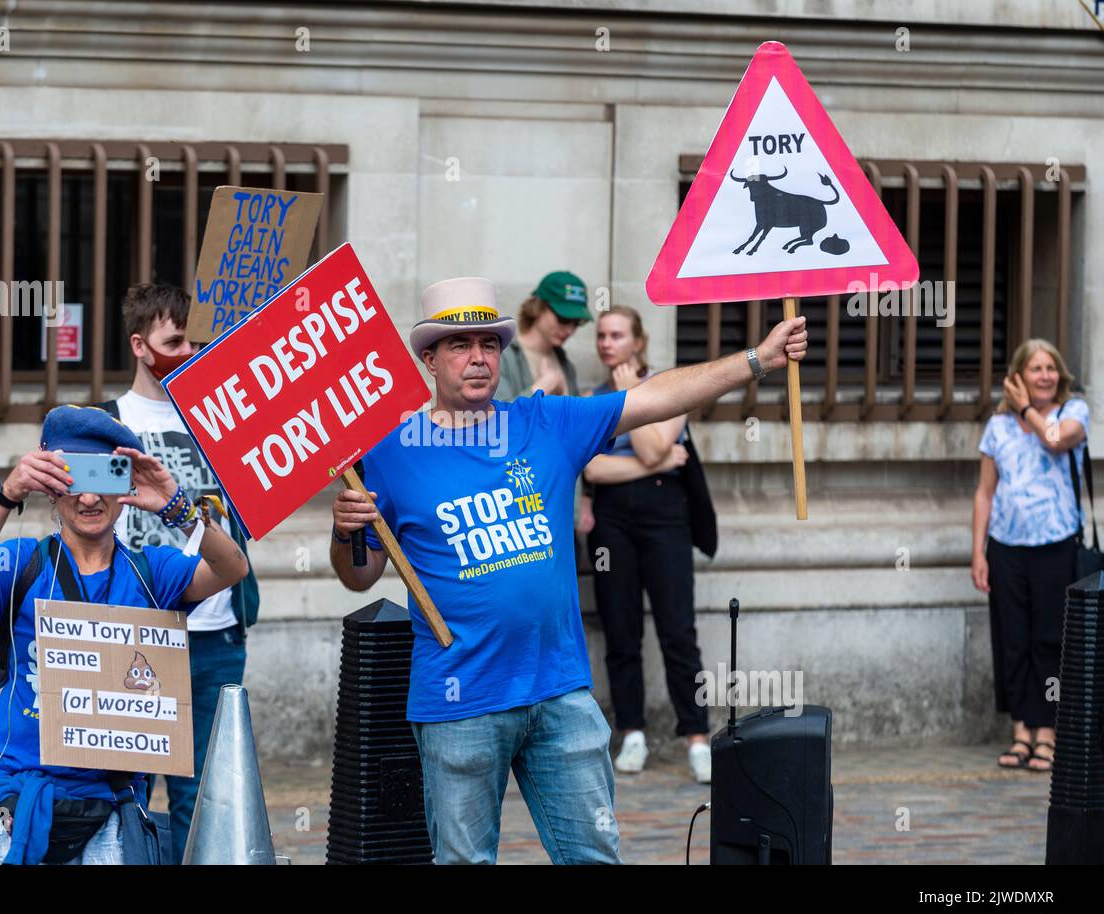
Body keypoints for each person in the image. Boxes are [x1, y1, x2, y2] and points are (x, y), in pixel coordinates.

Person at [330, 277, 806, 863]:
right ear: (429, 358)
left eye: (488, 344)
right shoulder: (387, 450)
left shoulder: (547, 422)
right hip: (458, 698)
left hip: (559, 691)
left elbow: (657, 397)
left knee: (594, 857)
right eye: (459, 345)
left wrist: (758, 358)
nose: (478, 358)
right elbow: (359, 576)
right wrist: (345, 529)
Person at [0, 405, 248, 864]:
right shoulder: (22, 561)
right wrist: (5, 494)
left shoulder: (152, 571)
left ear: (125, 489)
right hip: (24, 792)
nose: (88, 499)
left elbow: (231, 568)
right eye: (72, 481)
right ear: (50, 489)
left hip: (114, 799)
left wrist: (177, 505)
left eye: (103, 479)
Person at [103, 283, 260, 863]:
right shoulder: (108, 421)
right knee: (129, 788)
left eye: (199, 340)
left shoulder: (226, 419)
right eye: (176, 341)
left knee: (208, 792)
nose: (192, 350)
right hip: (137, 632)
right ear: (141, 346)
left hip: (216, 632)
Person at [581, 306, 710, 782]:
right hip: (612, 520)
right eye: (601, 335)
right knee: (621, 630)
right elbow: (594, 469)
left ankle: (696, 736)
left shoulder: (668, 387)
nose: (607, 343)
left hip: (665, 517)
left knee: (678, 630)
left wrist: (630, 396)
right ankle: (631, 732)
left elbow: (655, 445)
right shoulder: (591, 399)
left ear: (638, 341)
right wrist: (655, 462)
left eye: (617, 335)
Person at [971, 339, 1087, 773]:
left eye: (1050, 368)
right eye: (1035, 368)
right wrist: (977, 552)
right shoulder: (998, 426)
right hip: (1006, 546)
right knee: (1013, 638)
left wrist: (1026, 411)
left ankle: (1047, 734)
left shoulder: (1072, 414)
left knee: (1050, 639)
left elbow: (1055, 441)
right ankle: (1020, 731)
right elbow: (984, 493)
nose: (1044, 376)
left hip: (1056, 544)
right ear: (1018, 375)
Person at [494, 271, 591, 400]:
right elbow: (499, 417)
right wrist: (543, 386)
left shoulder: (566, 364)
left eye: (577, 322)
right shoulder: (503, 357)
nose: (570, 330)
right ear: (538, 307)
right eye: (563, 319)